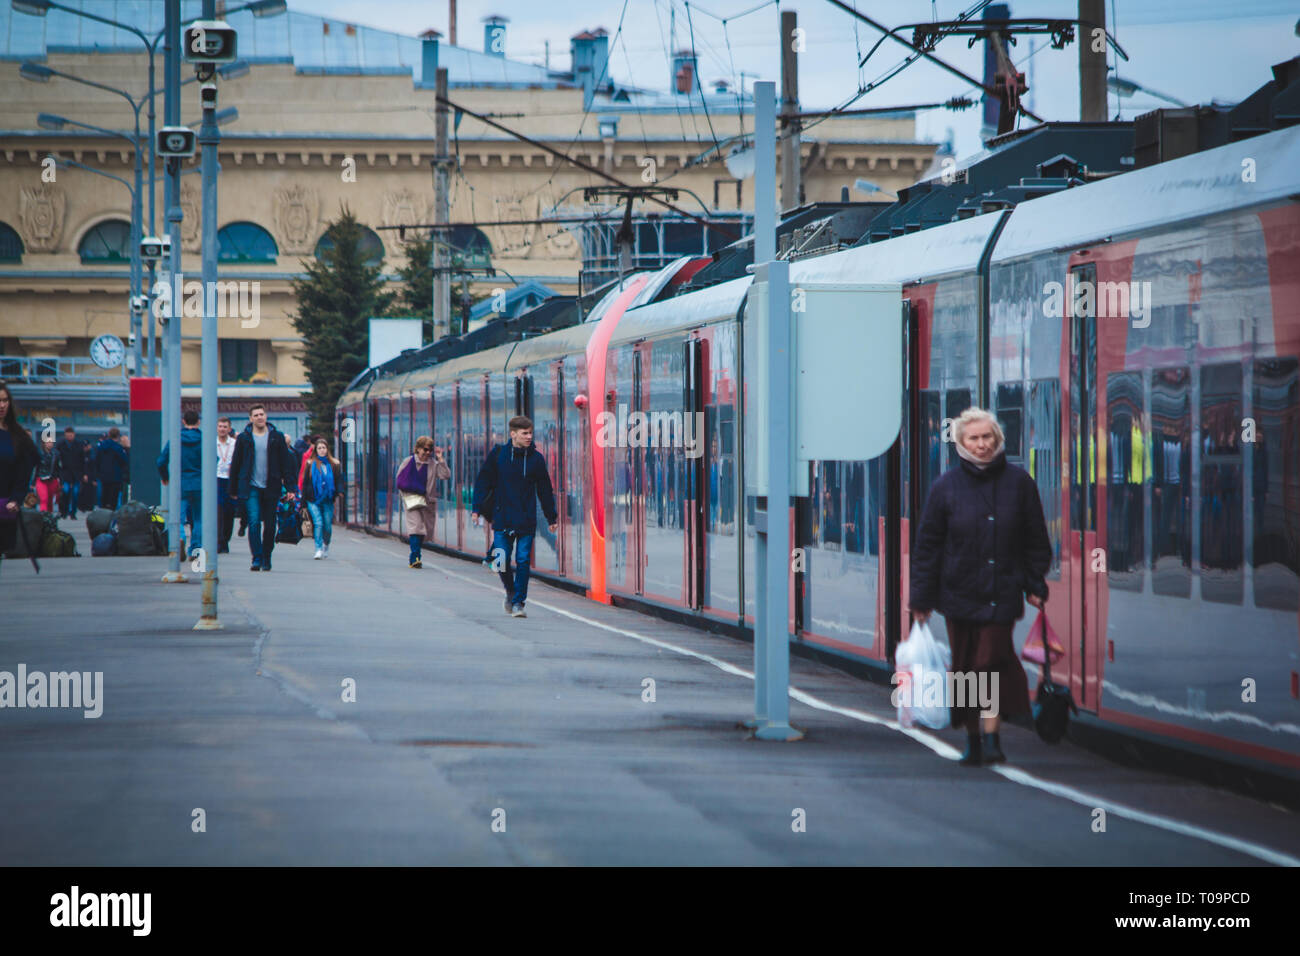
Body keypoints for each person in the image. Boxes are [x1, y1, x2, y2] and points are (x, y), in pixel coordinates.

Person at [909, 406, 1052, 767]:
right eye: (973, 438)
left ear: (999, 440)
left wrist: (1034, 582)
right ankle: (974, 737)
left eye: (988, 437)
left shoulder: (1020, 484)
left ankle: (991, 737)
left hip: (1001, 592)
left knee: (986, 663)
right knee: (965, 666)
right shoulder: (945, 488)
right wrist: (921, 598)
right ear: (960, 443)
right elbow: (928, 547)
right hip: (958, 594)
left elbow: (1036, 540)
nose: (982, 445)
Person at [471, 416, 558, 618]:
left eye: (530, 433)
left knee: (523, 560)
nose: (529, 437)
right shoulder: (498, 455)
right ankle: (510, 590)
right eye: (524, 433)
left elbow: (545, 490)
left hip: (526, 519)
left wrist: (551, 517)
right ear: (513, 434)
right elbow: (483, 481)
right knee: (500, 560)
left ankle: (519, 602)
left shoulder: (536, 459)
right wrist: (476, 508)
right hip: (502, 517)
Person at [228, 403, 297, 572]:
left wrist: (290, 488)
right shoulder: (244, 438)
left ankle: (267, 556)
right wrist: (233, 489)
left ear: (266, 416)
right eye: (256, 415)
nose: (259, 417)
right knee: (253, 522)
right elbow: (236, 464)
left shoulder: (276, 437)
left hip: (271, 487)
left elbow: (286, 464)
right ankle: (256, 558)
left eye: (262, 414)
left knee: (270, 525)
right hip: (251, 486)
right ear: (251, 419)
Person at [396, 436, 450, 568]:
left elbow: (445, 475)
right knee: (416, 527)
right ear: (418, 449)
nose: (427, 453)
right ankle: (415, 557)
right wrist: (405, 497)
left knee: (425, 531)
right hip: (411, 500)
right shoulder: (408, 461)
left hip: (427, 502)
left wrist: (440, 459)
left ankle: (416, 553)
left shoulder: (432, 464)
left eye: (430, 450)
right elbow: (399, 480)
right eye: (425, 449)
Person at [0, 383, 39, 566]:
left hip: (5, 505)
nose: (1, 405)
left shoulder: (17, 436)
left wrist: (16, 498)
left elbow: (27, 468)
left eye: (5, 400)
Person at [158, 409, 204, 555]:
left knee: (178, 517)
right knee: (198, 518)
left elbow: (161, 461)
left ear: (183, 421)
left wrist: (165, 477)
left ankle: (180, 538)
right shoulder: (204, 439)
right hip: (199, 483)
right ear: (198, 422)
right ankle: (195, 549)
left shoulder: (175, 439)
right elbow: (214, 460)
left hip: (180, 483)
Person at [299, 436, 344, 560]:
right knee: (318, 523)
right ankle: (318, 549)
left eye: (324, 448)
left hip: (328, 499)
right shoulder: (310, 463)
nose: (322, 450)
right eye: (319, 448)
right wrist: (303, 502)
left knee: (327, 525)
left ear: (327, 449)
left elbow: (339, 480)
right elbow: (306, 483)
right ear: (316, 450)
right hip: (312, 499)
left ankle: (326, 544)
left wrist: (340, 491)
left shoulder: (335, 464)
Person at [55, 425, 89, 520]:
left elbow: (83, 461)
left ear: (74, 435)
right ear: (65, 435)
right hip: (65, 473)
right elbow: (57, 460)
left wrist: (85, 474)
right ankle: (64, 511)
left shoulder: (79, 445)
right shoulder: (60, 445)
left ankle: (73, 513)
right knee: (65, 492)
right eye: (67, 435)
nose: (69, 437)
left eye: (71, 435)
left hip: (77, 473)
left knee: (75, 493)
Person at [93, 427, 129, 510]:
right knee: (113, 499)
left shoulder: (101, 446)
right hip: (115, 477)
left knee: (104, 496)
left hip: (103, 476)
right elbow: (124, 461)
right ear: (118, 436)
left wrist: (97, 473)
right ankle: (111, 515)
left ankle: (103, 513)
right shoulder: (118, 448)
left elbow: (96, 460)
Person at [216, 416, 236, 554]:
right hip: (216, 479)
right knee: (218, 511)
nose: (222, 429)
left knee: (229, 512)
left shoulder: (235, 443)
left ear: (229, 429)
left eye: (225, 427)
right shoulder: (212, 442)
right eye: (220, 426)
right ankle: (219, 541)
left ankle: (226, 538)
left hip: (230, 480)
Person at [34, 437, 60, 513]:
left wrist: (60, 480)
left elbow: (58, 468)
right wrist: (33, 482)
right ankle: (44, 516)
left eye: (51, 442)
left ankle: (49, 517)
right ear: (44, 444)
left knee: (50, 500)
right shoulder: (40, 454)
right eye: (48, 442)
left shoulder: (56, 454)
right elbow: (37, 468)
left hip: (52, 479)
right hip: (41, 479)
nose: (50, 444)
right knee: (44, 498)